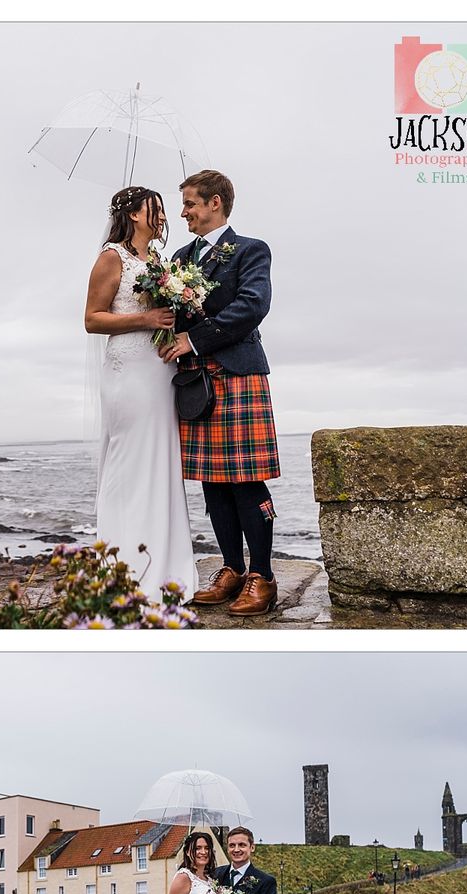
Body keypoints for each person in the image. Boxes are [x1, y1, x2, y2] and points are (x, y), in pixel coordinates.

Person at [159, 170, 282, 617]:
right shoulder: (179, 257)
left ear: (215, 203)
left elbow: (252, 305)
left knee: (246, 480)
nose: (184, 213)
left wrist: (194, 339)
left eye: (190, 203)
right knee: (213, 482)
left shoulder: (250, 249)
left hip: (237, 373)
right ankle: (231, 569)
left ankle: (262, 577)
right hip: (196, 381)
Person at [84, 185, 198, 601]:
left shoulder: (160, 263)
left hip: (159, 371)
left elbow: (164, 316)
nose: (164, 216)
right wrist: (146, 319)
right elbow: (92, 319)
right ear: (133, 214)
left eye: (164, 210)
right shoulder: (112, 257)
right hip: (128, 373)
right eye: (156, 209)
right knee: (129, 462)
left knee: (160, 462)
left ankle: (164, 564)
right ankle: (123, 567)